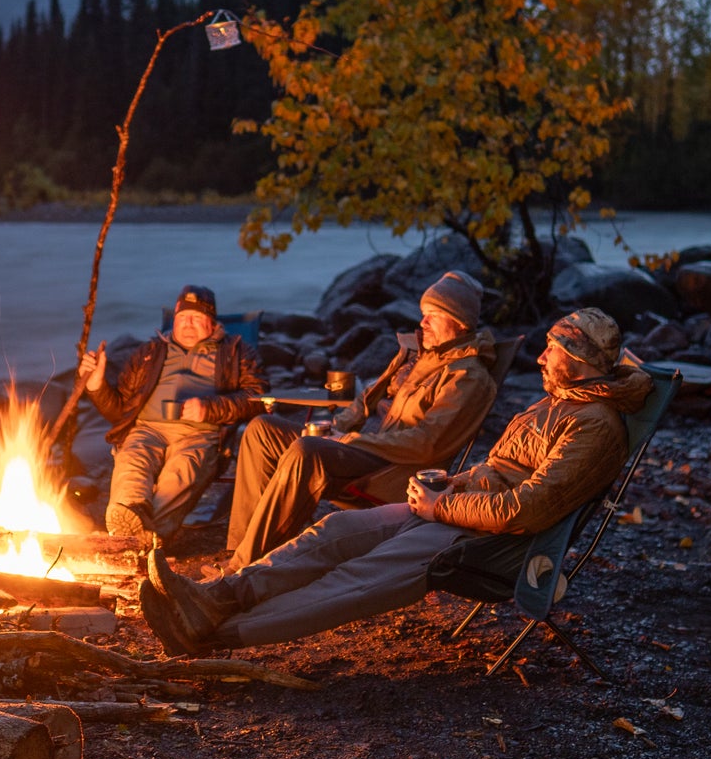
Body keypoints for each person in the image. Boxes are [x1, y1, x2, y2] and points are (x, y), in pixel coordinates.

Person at [138, 307, 651, 655]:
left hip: (487, 543)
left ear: (579, 359)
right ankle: (217, 595)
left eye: (552, 350)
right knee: (331, 534)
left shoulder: (594, 426)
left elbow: (527, 509)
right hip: (459, 511)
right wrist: (452, 483)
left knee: (354, 580)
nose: (541, 358)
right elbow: (500, 470)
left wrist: (439, 509)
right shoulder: (563, 401)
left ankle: (211, 635)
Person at [226, 270, 497, 568]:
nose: (422, 323)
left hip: (393, 469)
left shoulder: (467, 376)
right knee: (263, 429)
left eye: (432, 315)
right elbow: (366, 399)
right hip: (363, 449)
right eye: (423, 314)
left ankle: (246, 568)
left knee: (308, 452)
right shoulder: (418, 356)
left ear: (459, 322)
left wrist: (347, 440)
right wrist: (338, 426)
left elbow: (428, 445)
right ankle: (242, 551)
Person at [79, 284, 269, 537]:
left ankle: (134, 539)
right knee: (131, 464)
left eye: (197, 318)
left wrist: (209, 409)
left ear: (212, 323)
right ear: (174, 320)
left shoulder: (235, 352)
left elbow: (258, 397)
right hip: (146, 430)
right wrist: (96, 383)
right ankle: (135, 529)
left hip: (200, 435)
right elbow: (119, 414)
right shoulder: (150, 352)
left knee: (180, 473)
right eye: (182, 318)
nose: (188, 324)